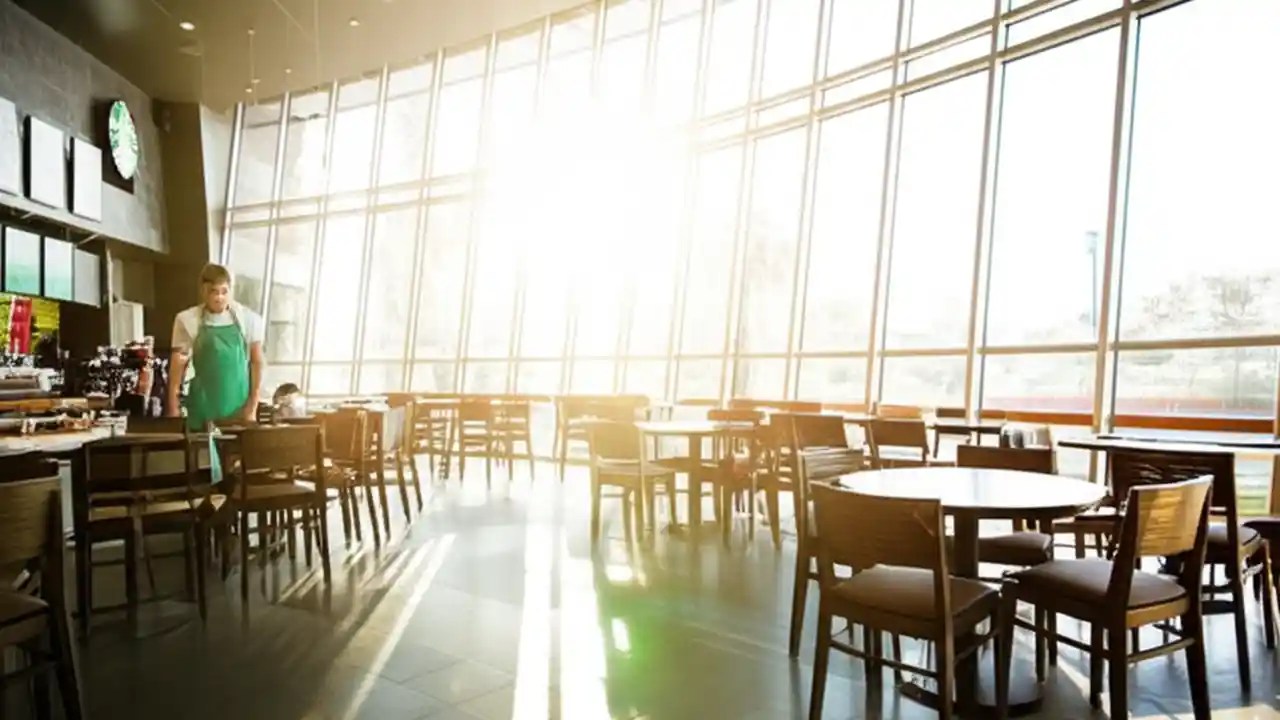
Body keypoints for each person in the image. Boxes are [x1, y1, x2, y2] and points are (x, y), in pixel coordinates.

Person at [166, 263, 265, 430]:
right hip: (202, 408)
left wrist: (252, 406)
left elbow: (257, 362)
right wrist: (173, 406)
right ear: (203, 291)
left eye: (224, 292)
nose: (219, 298)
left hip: (239, 408)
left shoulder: (248, 319)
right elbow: (177, 365)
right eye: (214, 292)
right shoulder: (187, 320)